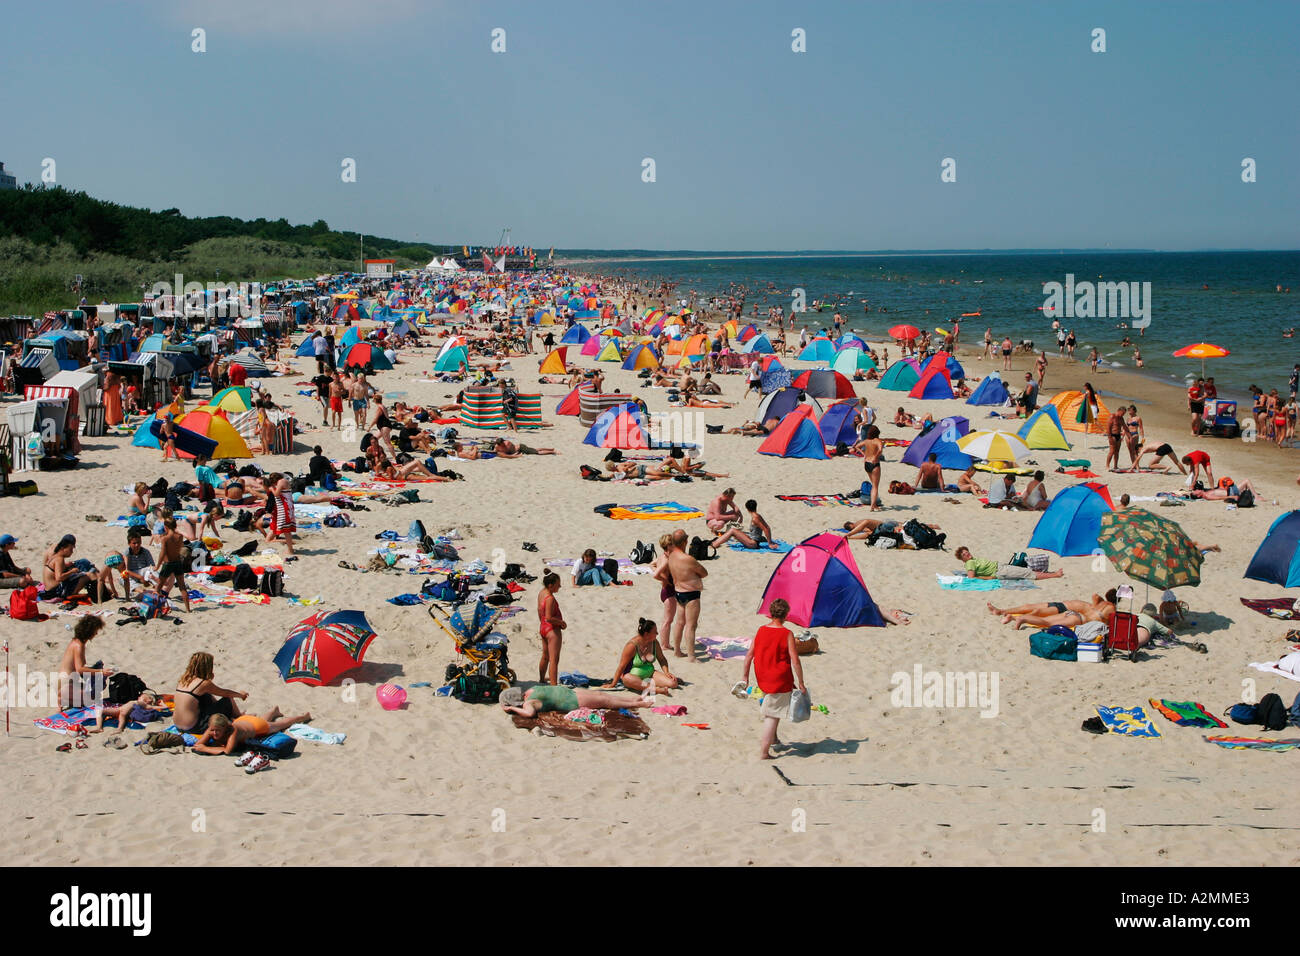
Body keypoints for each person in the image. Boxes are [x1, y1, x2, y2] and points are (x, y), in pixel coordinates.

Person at [740, 598, 806, 760]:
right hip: (779, 678)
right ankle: (764, 752)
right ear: (786, 615)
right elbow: (795, 660)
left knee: (771, 707)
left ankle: (774, 739)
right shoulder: (786, 634)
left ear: (770, 614)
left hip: (763, 677)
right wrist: (801, 682)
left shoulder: (761, 630)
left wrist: (745, 677)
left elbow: (749, 655)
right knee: (773, 716)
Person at [192, 709, 312, 761]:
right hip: (244, 720)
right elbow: (198, 745)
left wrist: (206, 748)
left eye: (217, 731)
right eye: (212, 730)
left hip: (256, 726)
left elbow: (227, 751)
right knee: (267, 721)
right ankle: (273, 711)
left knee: (281, 725)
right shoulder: (213, 726)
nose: (214, 733)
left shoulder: (233, 731)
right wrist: (203, 745)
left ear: (224, 728)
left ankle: (304, 716)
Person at [605, 618, 679, 694]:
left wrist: (666, 672)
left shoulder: (654, 642)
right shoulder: (632, 646)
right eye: (655, 632)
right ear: (647, 634)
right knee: (627, 678)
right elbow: (621, 666)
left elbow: (662, 659)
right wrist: (613, 684)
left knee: (673, 683)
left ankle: (648, 686)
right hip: (633, 677)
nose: (657, 633)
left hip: (650, 674)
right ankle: (656, 690)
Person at [667, 528, 707, 659]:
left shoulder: (671, 556)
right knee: (691, 625)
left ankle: (677, 651)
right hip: (691, 594)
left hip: (678, 592)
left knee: (679, 623)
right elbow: (704, 573)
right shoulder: (688, 559)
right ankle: (691, 656)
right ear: (685, 542)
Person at [499, 684, 654, 717]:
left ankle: (632, 701)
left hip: (571, 697)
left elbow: (529, 714)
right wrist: (513, 709)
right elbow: (530, 713)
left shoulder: (528, 702)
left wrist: (512, 709)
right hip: (571, 695)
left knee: (603, 698)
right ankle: (635, 702)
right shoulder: (530, 692)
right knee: (603, 699)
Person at [57, 617, 112, 708]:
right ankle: (64, 699)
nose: (96, 633)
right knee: (92, 698)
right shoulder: (79, 646)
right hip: (66, 685)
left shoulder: (75, 642)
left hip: (64, 683)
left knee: (93, 687)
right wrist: (101, 672)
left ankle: (66, 699)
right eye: (95, 631)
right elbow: (80, 669)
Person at [955, 546, 1064, 581]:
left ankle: (1049, 573)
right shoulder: (969, 563)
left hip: (1001, 567)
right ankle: (1054, 575)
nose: (967, 554)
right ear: (962, 559)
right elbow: (971, 578)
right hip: (1000, 571)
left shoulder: (973, 560)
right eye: (964, 555)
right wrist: (989, 578)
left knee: (1024, 569)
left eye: (967, 552)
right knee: (1027, 572)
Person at [86, 690, 171, 734]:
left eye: (143, 696)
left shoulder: (143, 704)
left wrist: (162, 703)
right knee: (100, 711)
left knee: (122, 715)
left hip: (123, 712)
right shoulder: (138, 702)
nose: (140, 696)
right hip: (119, 710)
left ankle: (119, 728)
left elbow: (162, 707)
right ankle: (99, 727)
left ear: (149, 700)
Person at [154, 516, 192, 613]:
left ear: (166, 527)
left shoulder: (165, 539)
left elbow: (162, 553)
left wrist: (157, 566)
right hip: (178, 562)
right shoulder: (179, 537)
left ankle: (156, 607)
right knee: (182, 586)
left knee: (158, 586)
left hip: (168, 563)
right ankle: (188, 609)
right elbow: (180, 548)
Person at [709, 499, 776, 550]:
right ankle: (716, 542)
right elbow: (767, 527)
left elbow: (765, 529)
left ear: (747, 508)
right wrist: (769, 541)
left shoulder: (755, 519)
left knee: (732, 530)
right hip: (753, 541)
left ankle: (714, 544)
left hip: (753, 544)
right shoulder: (758, 515)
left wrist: (770, 543)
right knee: (737, 532)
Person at [43, 535, 94, 602]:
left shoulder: (55, 556)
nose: (72, 552)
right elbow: (59, 578)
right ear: (64, 548)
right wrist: (72, 571)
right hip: (55, 592)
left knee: (79, 568)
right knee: (86, 576)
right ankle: (72, 594)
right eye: (71, 549)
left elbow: (55, 570)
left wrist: (67, 566)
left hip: (49, 592)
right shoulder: (59, 559)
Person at [536, 572, 566, 685]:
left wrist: (542, 624)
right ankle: (554, 685)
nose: (560, 586)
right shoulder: (550, 598)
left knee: (545, 656)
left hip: (543, 627)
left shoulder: (541, 593)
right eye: (558, 584)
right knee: (554, 659)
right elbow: (549, 617)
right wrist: (561, 623)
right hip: (552, 630)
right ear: (550, 585)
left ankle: (542, 678)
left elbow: (540, 611)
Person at [652, 533, 678, 651]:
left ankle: (665, 644)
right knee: (668, 620)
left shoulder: (662, 556)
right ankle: (664, 645)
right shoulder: (666, 560)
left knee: (667, 619)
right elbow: (655, 574)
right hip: (668, 591)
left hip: (666, 591)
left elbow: (651, 565)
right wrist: (665, 580)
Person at [1106, 406, 1129, 471]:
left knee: (1117, 452)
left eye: (1124, 414)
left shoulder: (1121, 418)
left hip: (1118, 435)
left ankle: (1115, 466)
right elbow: (1108, 428)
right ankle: (1107, 465)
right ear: (1119, 411)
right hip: (1112, 435)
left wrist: (1129, 434)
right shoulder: (1112, 416)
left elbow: (1124, 426)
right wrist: (1109, 437)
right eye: (1122, 413)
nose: (1123, 415)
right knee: (1112, 451)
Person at [492, 438, 557, 457]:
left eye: (502, 444)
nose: (502, 445)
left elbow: (511, 451)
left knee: (537, 452)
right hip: (519, 450)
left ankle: (552, 452)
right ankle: (551, 449)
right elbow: (495, 452)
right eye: (500, 444)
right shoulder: (497, 446)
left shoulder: (507, 443)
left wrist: (512, 455)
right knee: (535, 449)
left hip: (521, 448)